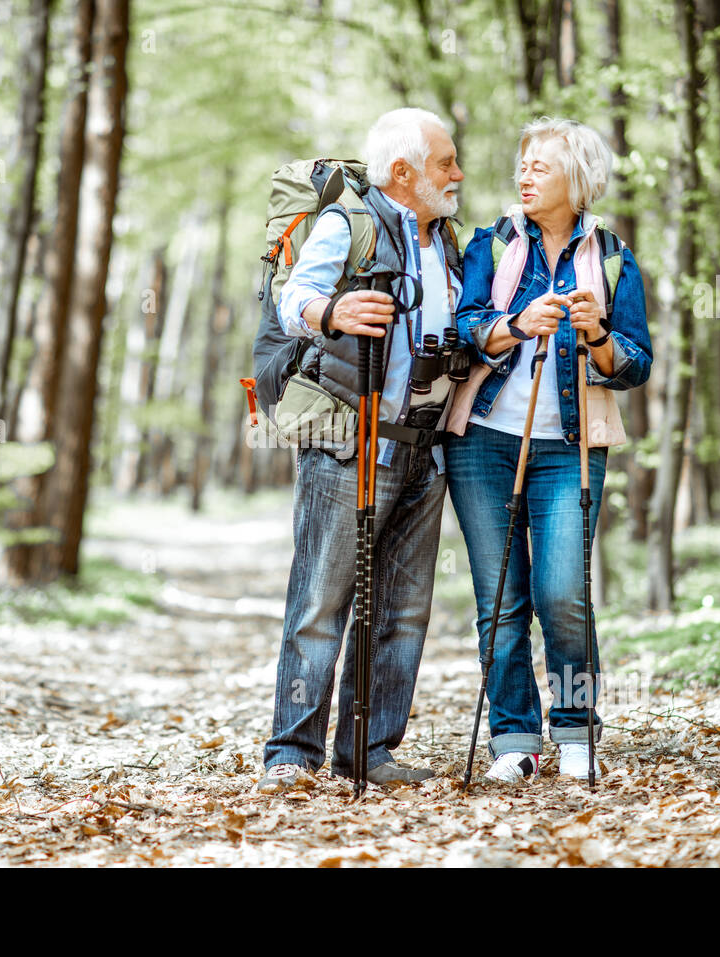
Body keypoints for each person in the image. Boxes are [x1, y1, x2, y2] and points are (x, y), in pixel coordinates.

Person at [259, 108, 465, 792]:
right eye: (446, 163)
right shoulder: (348, 225)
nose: (458, 174)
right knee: (322, 597)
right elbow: (294, 301)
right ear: (402, 173)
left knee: (403, 609)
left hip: (423, 450)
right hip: (349, 439)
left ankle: (369, 751)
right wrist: (332, 313)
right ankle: (291, 753)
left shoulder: (451, 244)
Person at [444, 117, 652, 782]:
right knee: (499, 599)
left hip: (571, 447)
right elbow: (466, 323)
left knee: (562, 592)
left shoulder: (615, 255)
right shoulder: (494, 240)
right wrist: (514, 325)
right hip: (483, 442)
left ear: (579, 180)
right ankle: (513, 741)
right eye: (523, 162)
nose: (525, 175)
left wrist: (596, 337)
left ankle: (575, 729)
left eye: (542, 166)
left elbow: (636, 361)